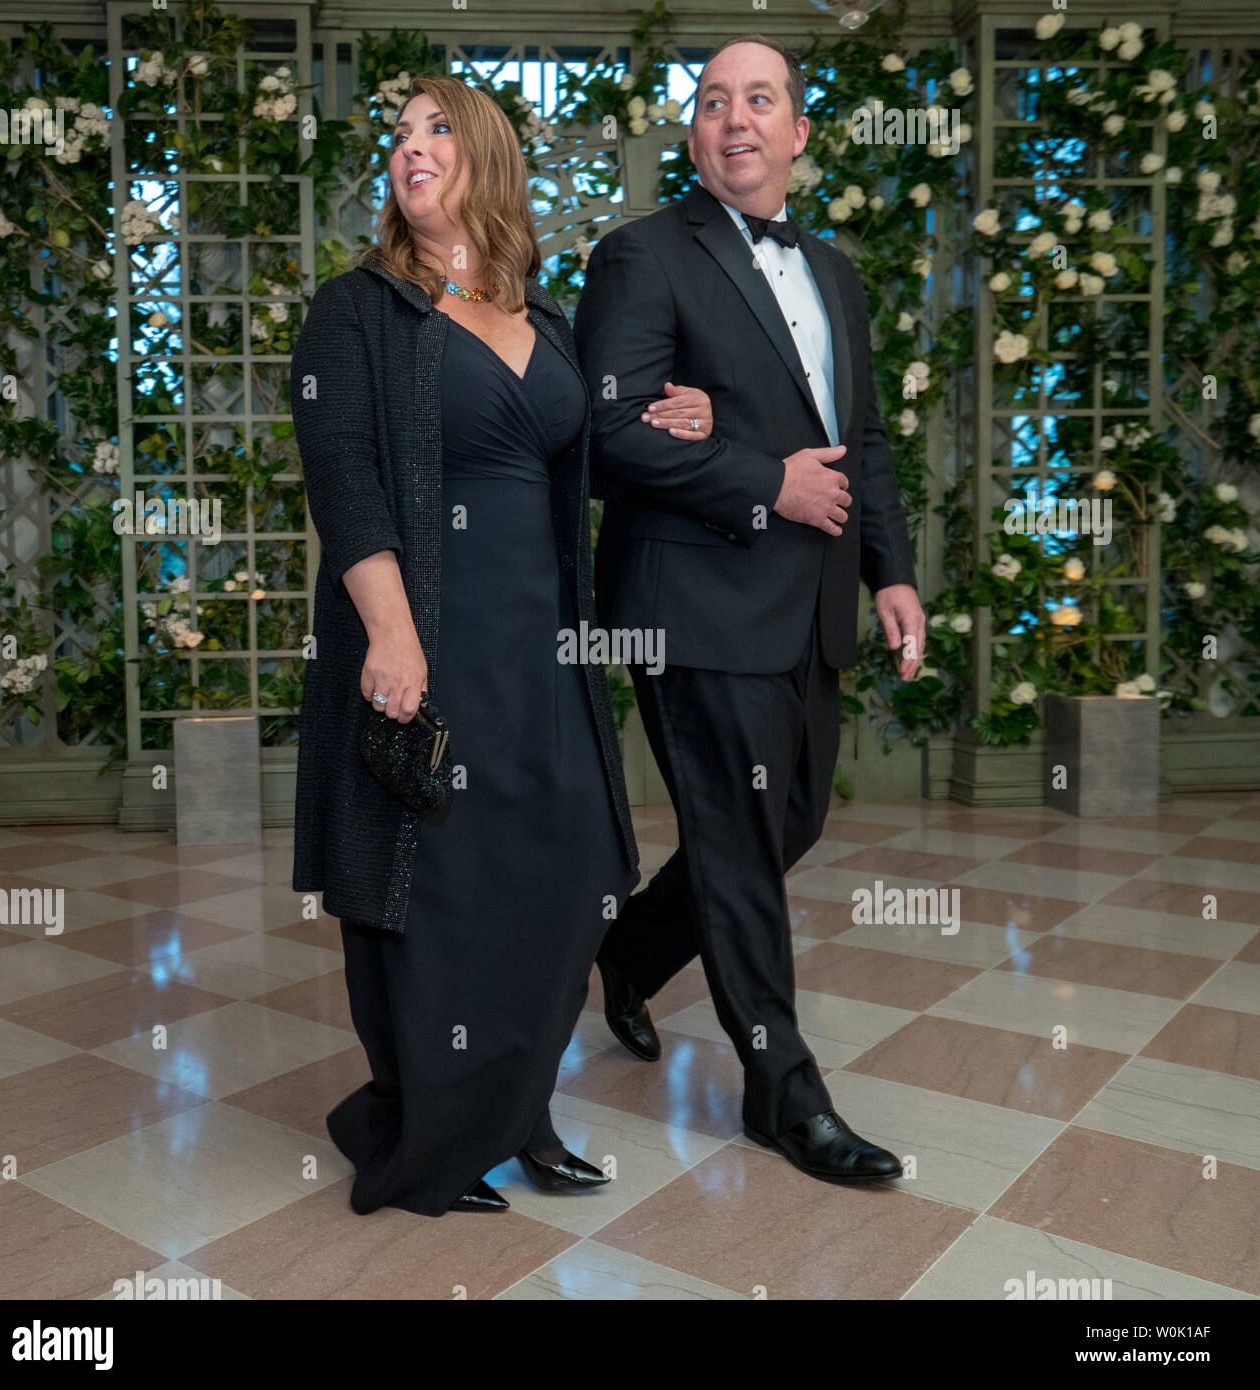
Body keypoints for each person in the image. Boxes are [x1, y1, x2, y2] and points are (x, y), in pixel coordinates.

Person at [290, 74, 718, 1216]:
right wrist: (389, 632)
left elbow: (584, 453)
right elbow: (344, 479)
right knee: (435, 888)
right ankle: (440, 1127)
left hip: (546, 653)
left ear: (486, 155)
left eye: (435, 128)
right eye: (396, 135)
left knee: (569, 879)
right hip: (427, 644)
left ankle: (514, 1105)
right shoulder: (359, 310)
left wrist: (678, 421)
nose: (408, 148)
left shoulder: (544, 318)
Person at [574, 34, 926, 1185]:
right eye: (713, 101)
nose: (735, 119)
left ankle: (625, 947)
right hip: (693, 598)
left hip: (811, 603)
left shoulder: (836, 275)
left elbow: (862, 441)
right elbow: (608, 432)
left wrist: (891, 570)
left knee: (787, 829)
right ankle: (785, 1093)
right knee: (734, 846)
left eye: (759, 99)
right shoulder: (639, 256)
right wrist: (760, 475)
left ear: (796, 132)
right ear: (693, 134)